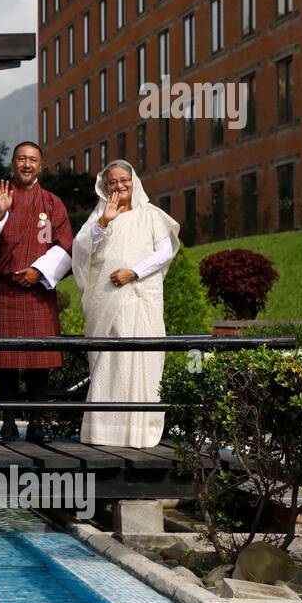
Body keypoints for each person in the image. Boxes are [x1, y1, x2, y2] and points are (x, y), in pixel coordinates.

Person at [72, 160, 179, 449]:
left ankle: (138, 432)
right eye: (113, 182)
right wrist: (104, 222)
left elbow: (164, 252)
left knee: (140, 357)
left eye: (124, 180)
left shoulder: (151, 215)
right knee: (110, 359)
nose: (119, 186)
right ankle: (103, 432)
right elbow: (82, 252)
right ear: (105, 187)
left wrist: (134, 272)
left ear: (134, 182)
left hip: (140, 298)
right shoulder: (99, 217)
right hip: (105, 301)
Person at [0, 142, 74, 442]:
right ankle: (8, 423)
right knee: (5, 360)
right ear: (13, 163)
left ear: (40, 165)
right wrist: (0, 213)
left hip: (39, 290)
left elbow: (65, 245)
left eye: (32, 160)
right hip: (4, 290)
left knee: (39, 359)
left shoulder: (52, 203)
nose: (27, 164)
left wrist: (39, 271)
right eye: (21, 159)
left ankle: (36, 423)